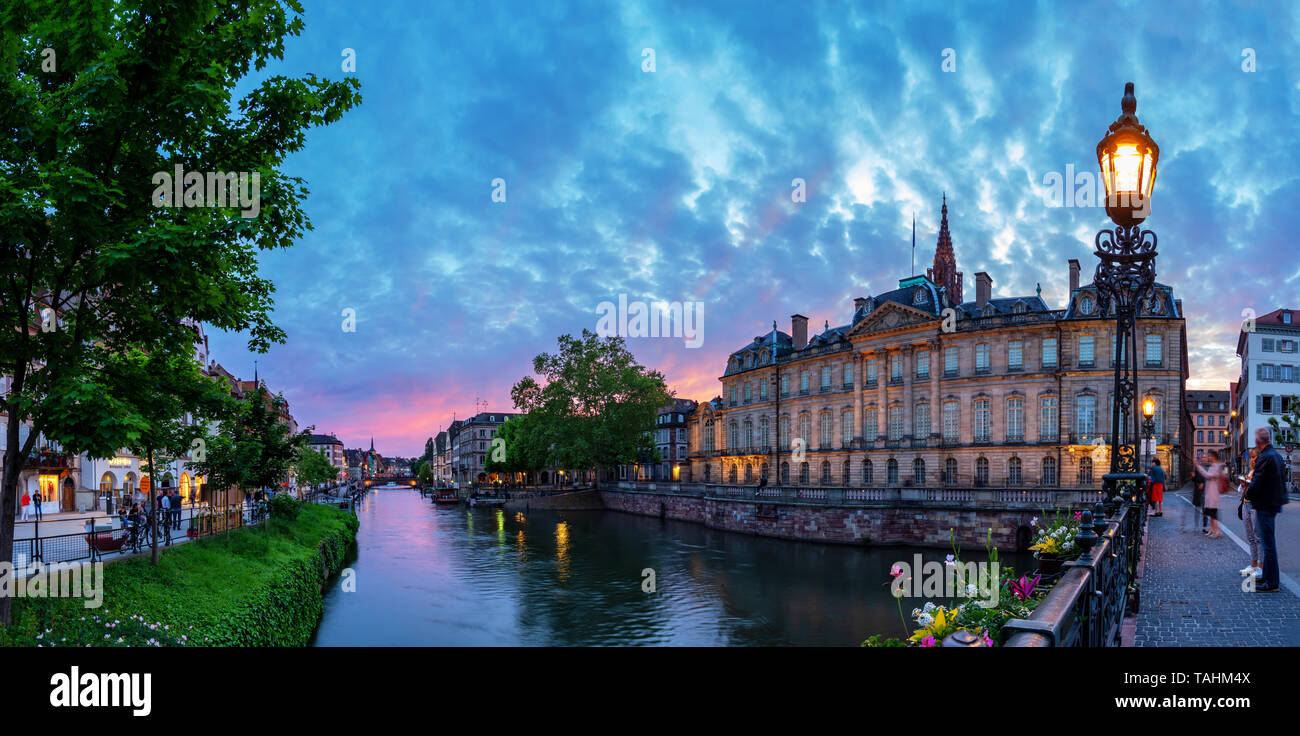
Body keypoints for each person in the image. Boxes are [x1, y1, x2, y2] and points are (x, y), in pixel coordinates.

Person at [1246, 427, 1286, 592]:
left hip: (1264, 504)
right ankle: (1268, 577)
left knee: (1268, 545)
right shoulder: (1276, 455)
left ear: (1257, 442)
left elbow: (1257, 481)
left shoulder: (1264, 457)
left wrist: (1248, 492)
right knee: (1269, 542)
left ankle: (1273, 582)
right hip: (1273, 503)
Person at [1237, 447, 1263, 580]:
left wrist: (1250, 482)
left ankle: (1261, 567)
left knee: (1258, 537)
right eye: (1251, 457)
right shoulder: (1252, 471)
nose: (1253, 459)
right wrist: (1243, 483)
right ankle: (1253, 564)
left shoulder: (1261, 472)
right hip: (1246, 503)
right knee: (1250, 537)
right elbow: (1241, 489)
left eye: (1255, 457)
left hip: (1255, 505)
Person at [1195, 450, 1226, 539]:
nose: (1208, 457)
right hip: (1210, 493)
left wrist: (1199, 467)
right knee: (1211, 514)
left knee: (1213, 515)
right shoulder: (1214, 465)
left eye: (1209, 456)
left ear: (1213, 456)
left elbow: (1209, 475)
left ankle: (1218, 532)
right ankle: (1212, 530)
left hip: (1213, 494)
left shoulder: (1216, 466)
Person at [1191, 465, 1207, 533]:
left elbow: (1208, 478)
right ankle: (1196, 526)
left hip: (1204, 493)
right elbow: (1194, 479)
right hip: (1197, 492)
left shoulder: (1207, 468)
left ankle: (1204, 527)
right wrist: (1193, 477)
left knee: (1205, 511)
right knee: (1197, 510)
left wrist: (1203, 483)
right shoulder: (1197, 469)